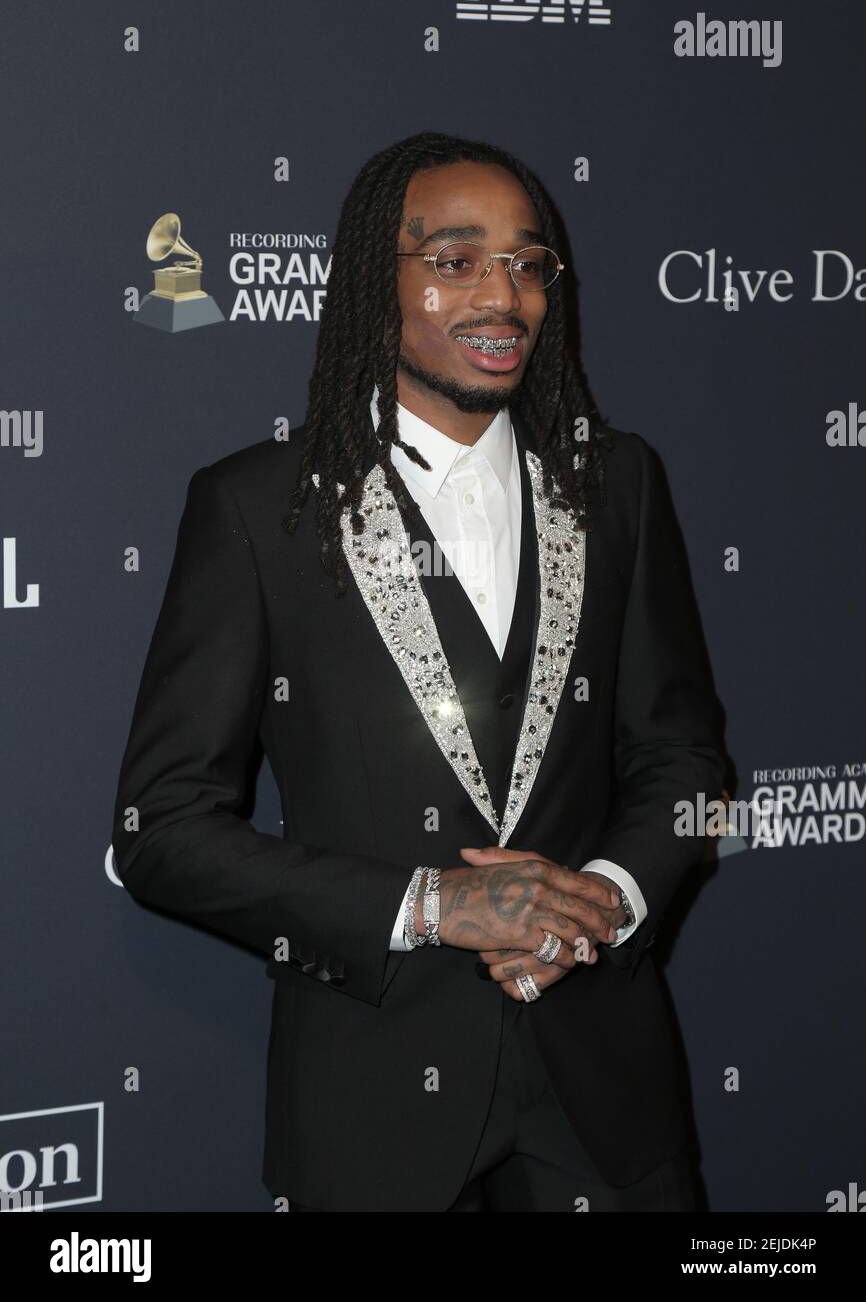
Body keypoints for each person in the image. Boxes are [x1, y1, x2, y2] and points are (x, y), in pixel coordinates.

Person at [112, 130, 728, 1212]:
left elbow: (678, 754)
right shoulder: (260, 509)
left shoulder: (617, 482)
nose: (502, 295)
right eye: (452, 261)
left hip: (606, 1096)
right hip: (369, 1099)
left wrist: (608, 900)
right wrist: (432, 903)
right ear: (371, 280)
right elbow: (158, 830)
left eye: (527, 264)